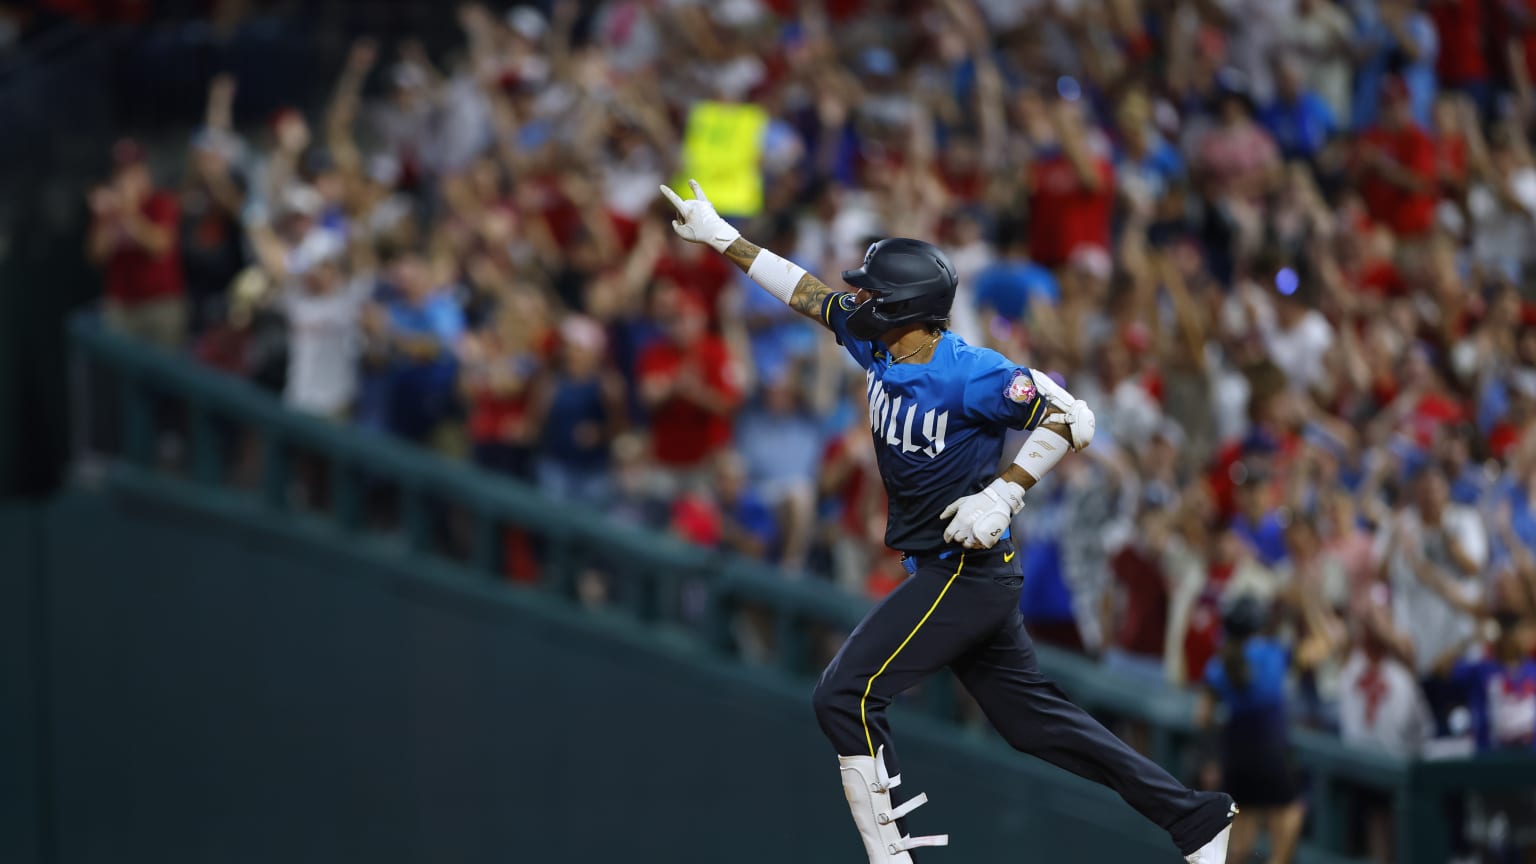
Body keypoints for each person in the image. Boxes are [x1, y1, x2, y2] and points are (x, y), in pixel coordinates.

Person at [661, 179, 1236, 864]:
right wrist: (723, 236)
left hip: (964, 570)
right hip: (953, 573)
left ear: (906, 307)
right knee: (1035, 726)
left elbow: (1073, 419)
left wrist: (1006, 492)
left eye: (875, 292)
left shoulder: (970, 373)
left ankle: (891, 856)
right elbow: (806, 291)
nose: (861, 300)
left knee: (844, 694)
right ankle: (1197, 820)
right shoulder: (878, 341)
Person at [1198, 596, 1308, 864]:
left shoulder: (1220, 662)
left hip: (1235, 753)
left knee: (1238, 849)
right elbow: (1324, 645)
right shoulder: (1272, 653)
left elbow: (1202, 718)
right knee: (1291, 814)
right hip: (1269, 752)